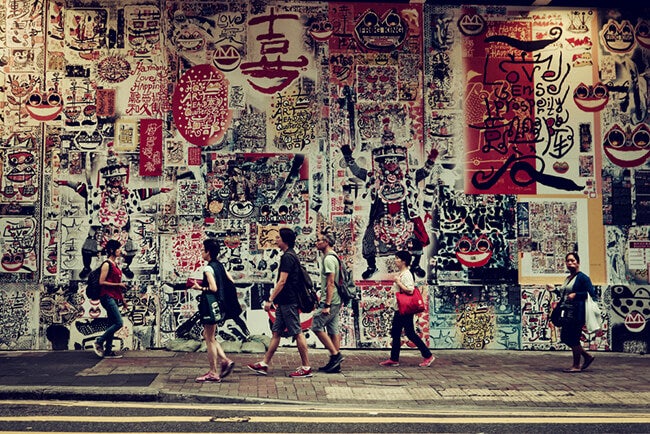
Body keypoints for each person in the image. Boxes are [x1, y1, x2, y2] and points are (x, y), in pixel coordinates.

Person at [248, 227, 312, 378]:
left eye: (278, 238)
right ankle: (264, 364)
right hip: (283, 302)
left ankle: (306, 367)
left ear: (284, 240)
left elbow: (282, 281)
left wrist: (270, 300)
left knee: (297, 332)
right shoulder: (289, 255)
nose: (276, 240)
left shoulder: (287, 257)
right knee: (276, 332)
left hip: (289, 301)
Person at [379, 250, 435, 368]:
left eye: (397, 258)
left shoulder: (407, 275)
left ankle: (428, 355)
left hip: (404, 309)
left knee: (410, 333)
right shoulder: (402, 273)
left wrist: (399, 282)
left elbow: (410, 290)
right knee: (396, 333)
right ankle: (394, 359)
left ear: (404, 261)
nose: (395, 260)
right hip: (399, 308)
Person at [191, 238, 236, 383]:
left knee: (209, 339)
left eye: (203, 250)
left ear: (208, 252)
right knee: (208, 335)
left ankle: (213, 372)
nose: (201, 252)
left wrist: (199, 288)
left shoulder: (208, 268)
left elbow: (213, 288)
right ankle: (224, 361)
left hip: (210, 305)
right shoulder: (220, 266)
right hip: (219, 305)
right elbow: (231, 281)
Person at [555, 252, 596, 373]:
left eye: (572, 260)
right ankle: (587, 356)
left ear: (578, 262)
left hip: (577, 313)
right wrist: (554, 291)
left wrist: (577, 294)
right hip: (567, 313)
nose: (570, 263)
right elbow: (565, 295)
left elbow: (591, 294)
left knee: (573, 338)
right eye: (568, 261)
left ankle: (576, 365)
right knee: (566, 337)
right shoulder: (568, 278)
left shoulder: (583, 278)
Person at [312, 228, 344, 373]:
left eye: (319, 240)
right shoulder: (334, 256)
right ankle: (334, 364)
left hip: (331, 300)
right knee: (332, 330)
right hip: (336, 300)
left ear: (326, 242)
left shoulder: (329, 259)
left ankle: (335, 355)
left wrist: (327, 304)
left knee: (316, 326)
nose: (316, 242)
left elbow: (331, 283)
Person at [92, 239, 128, 359]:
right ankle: (99, 341)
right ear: (112, 250)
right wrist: (119, 285)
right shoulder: (107, 264)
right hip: (107, 297)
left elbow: (118, 284)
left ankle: (107, 351)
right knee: (119, 323)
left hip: (114, 297)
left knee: (111, 324)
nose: (120, 251)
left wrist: (123, 300)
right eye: (118, 249)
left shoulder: (115, 265)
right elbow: (101, 282)